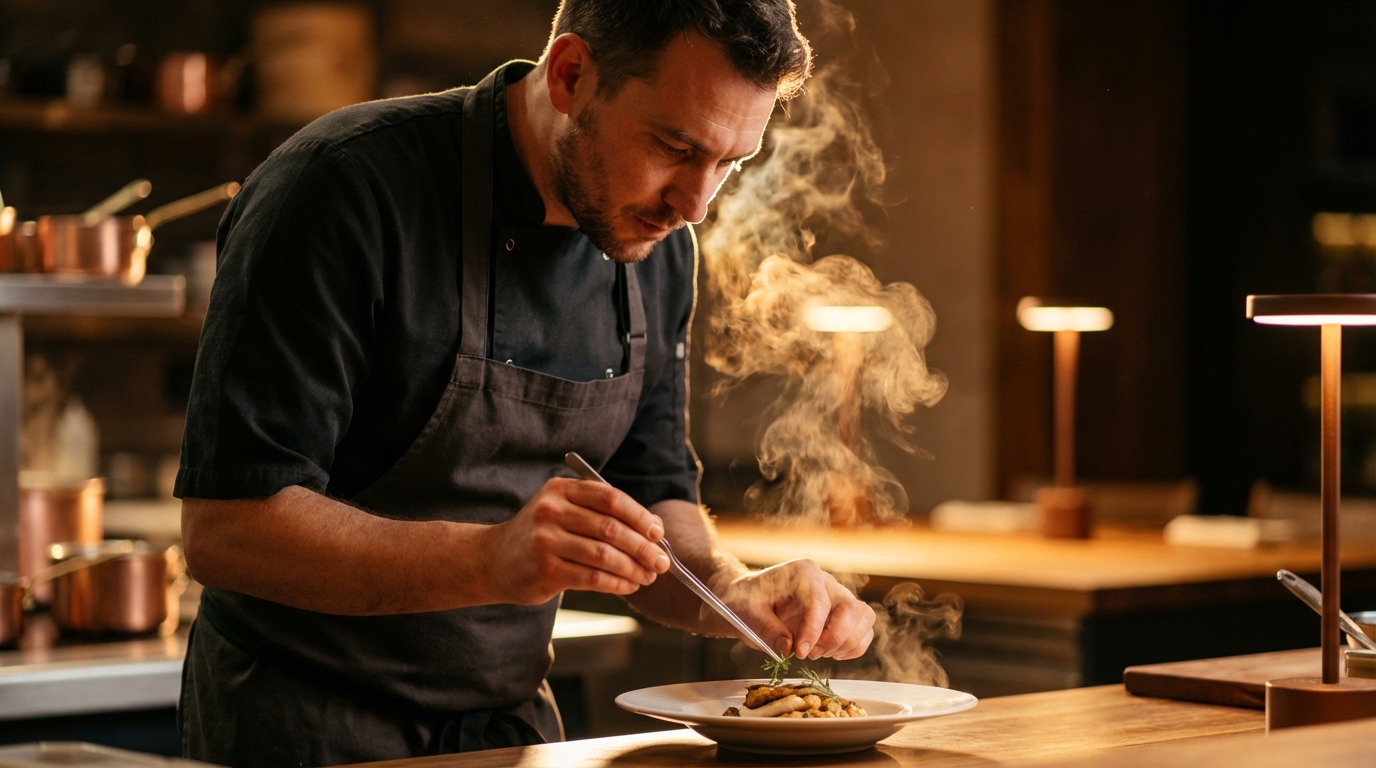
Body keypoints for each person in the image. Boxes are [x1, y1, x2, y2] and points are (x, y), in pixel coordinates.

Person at [175, 1, 877, 764]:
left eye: (730, 162)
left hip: (508, 735)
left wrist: (730, 590)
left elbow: (650, 498)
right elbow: (226, 531)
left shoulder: (658, 244)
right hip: (302, 731)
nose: (697, 204)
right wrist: (486, 560)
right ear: (573, 73)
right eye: (675, 146)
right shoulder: (341, 188)